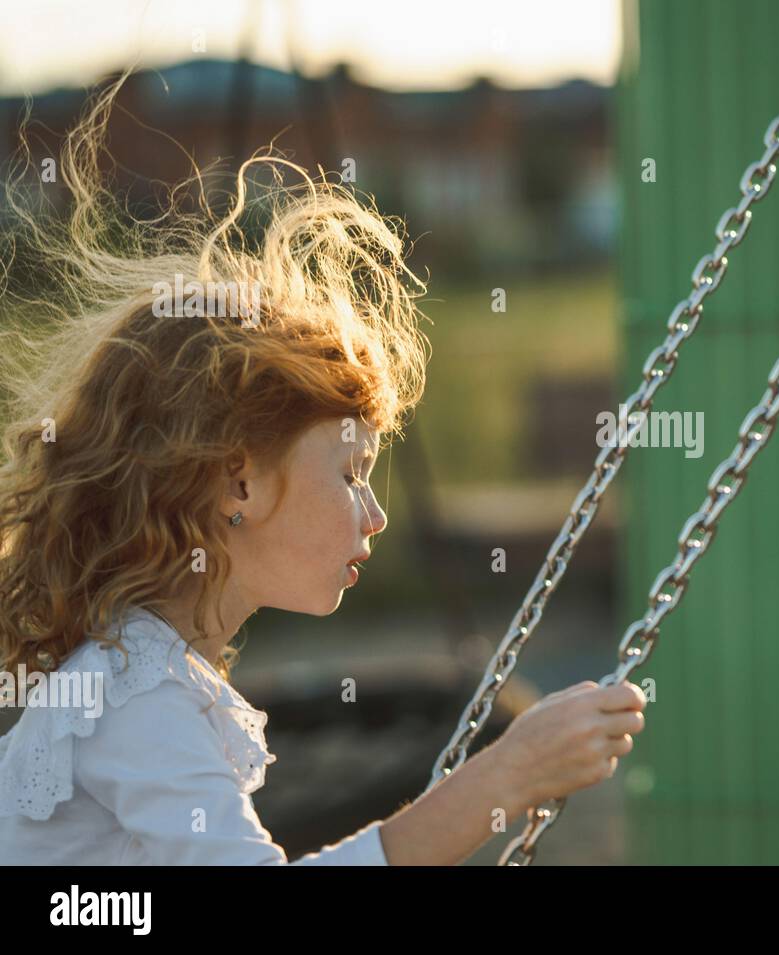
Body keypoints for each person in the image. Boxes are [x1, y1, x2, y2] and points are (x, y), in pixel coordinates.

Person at [0, 74, 646, 865]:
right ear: (238, 482)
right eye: (350, 473)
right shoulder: (139, 698)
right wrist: (502, 779)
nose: (375, 514)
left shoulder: (147, 674)